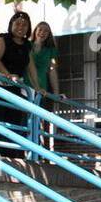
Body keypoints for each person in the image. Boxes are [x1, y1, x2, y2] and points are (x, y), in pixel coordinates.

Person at [0, 9, 33, 159]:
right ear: (11, 24)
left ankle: (14, 157)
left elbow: (30, 67)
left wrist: (38, 88)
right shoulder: (2, 38)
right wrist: (7, 75)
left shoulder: (27, 45)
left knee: (15, 122)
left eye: (25, 25)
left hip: (14, 87)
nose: (21, 27)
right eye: (17, 23)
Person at [28, 20, 60, 151]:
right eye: (40, 29)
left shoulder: (50, 50)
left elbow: (52, 71)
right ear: (35, 31)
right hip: (26, 85)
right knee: (26, 119)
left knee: (39, 122)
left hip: (42, 88)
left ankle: (39, 152)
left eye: (46, 31)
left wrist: (56, 93)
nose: (42, 32)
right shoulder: (27, 45)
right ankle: (27, 150)